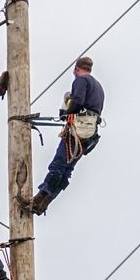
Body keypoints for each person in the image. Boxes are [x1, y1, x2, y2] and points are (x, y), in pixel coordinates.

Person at [30, 57, 104, 216]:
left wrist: (65, 114)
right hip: (90, 131)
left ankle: (39, 199)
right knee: (67, 169)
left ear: (76, 69)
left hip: (79, 127)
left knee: (58, 164)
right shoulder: (98, 87)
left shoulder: (81, 80)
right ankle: (45, 202)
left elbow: (77, 101)